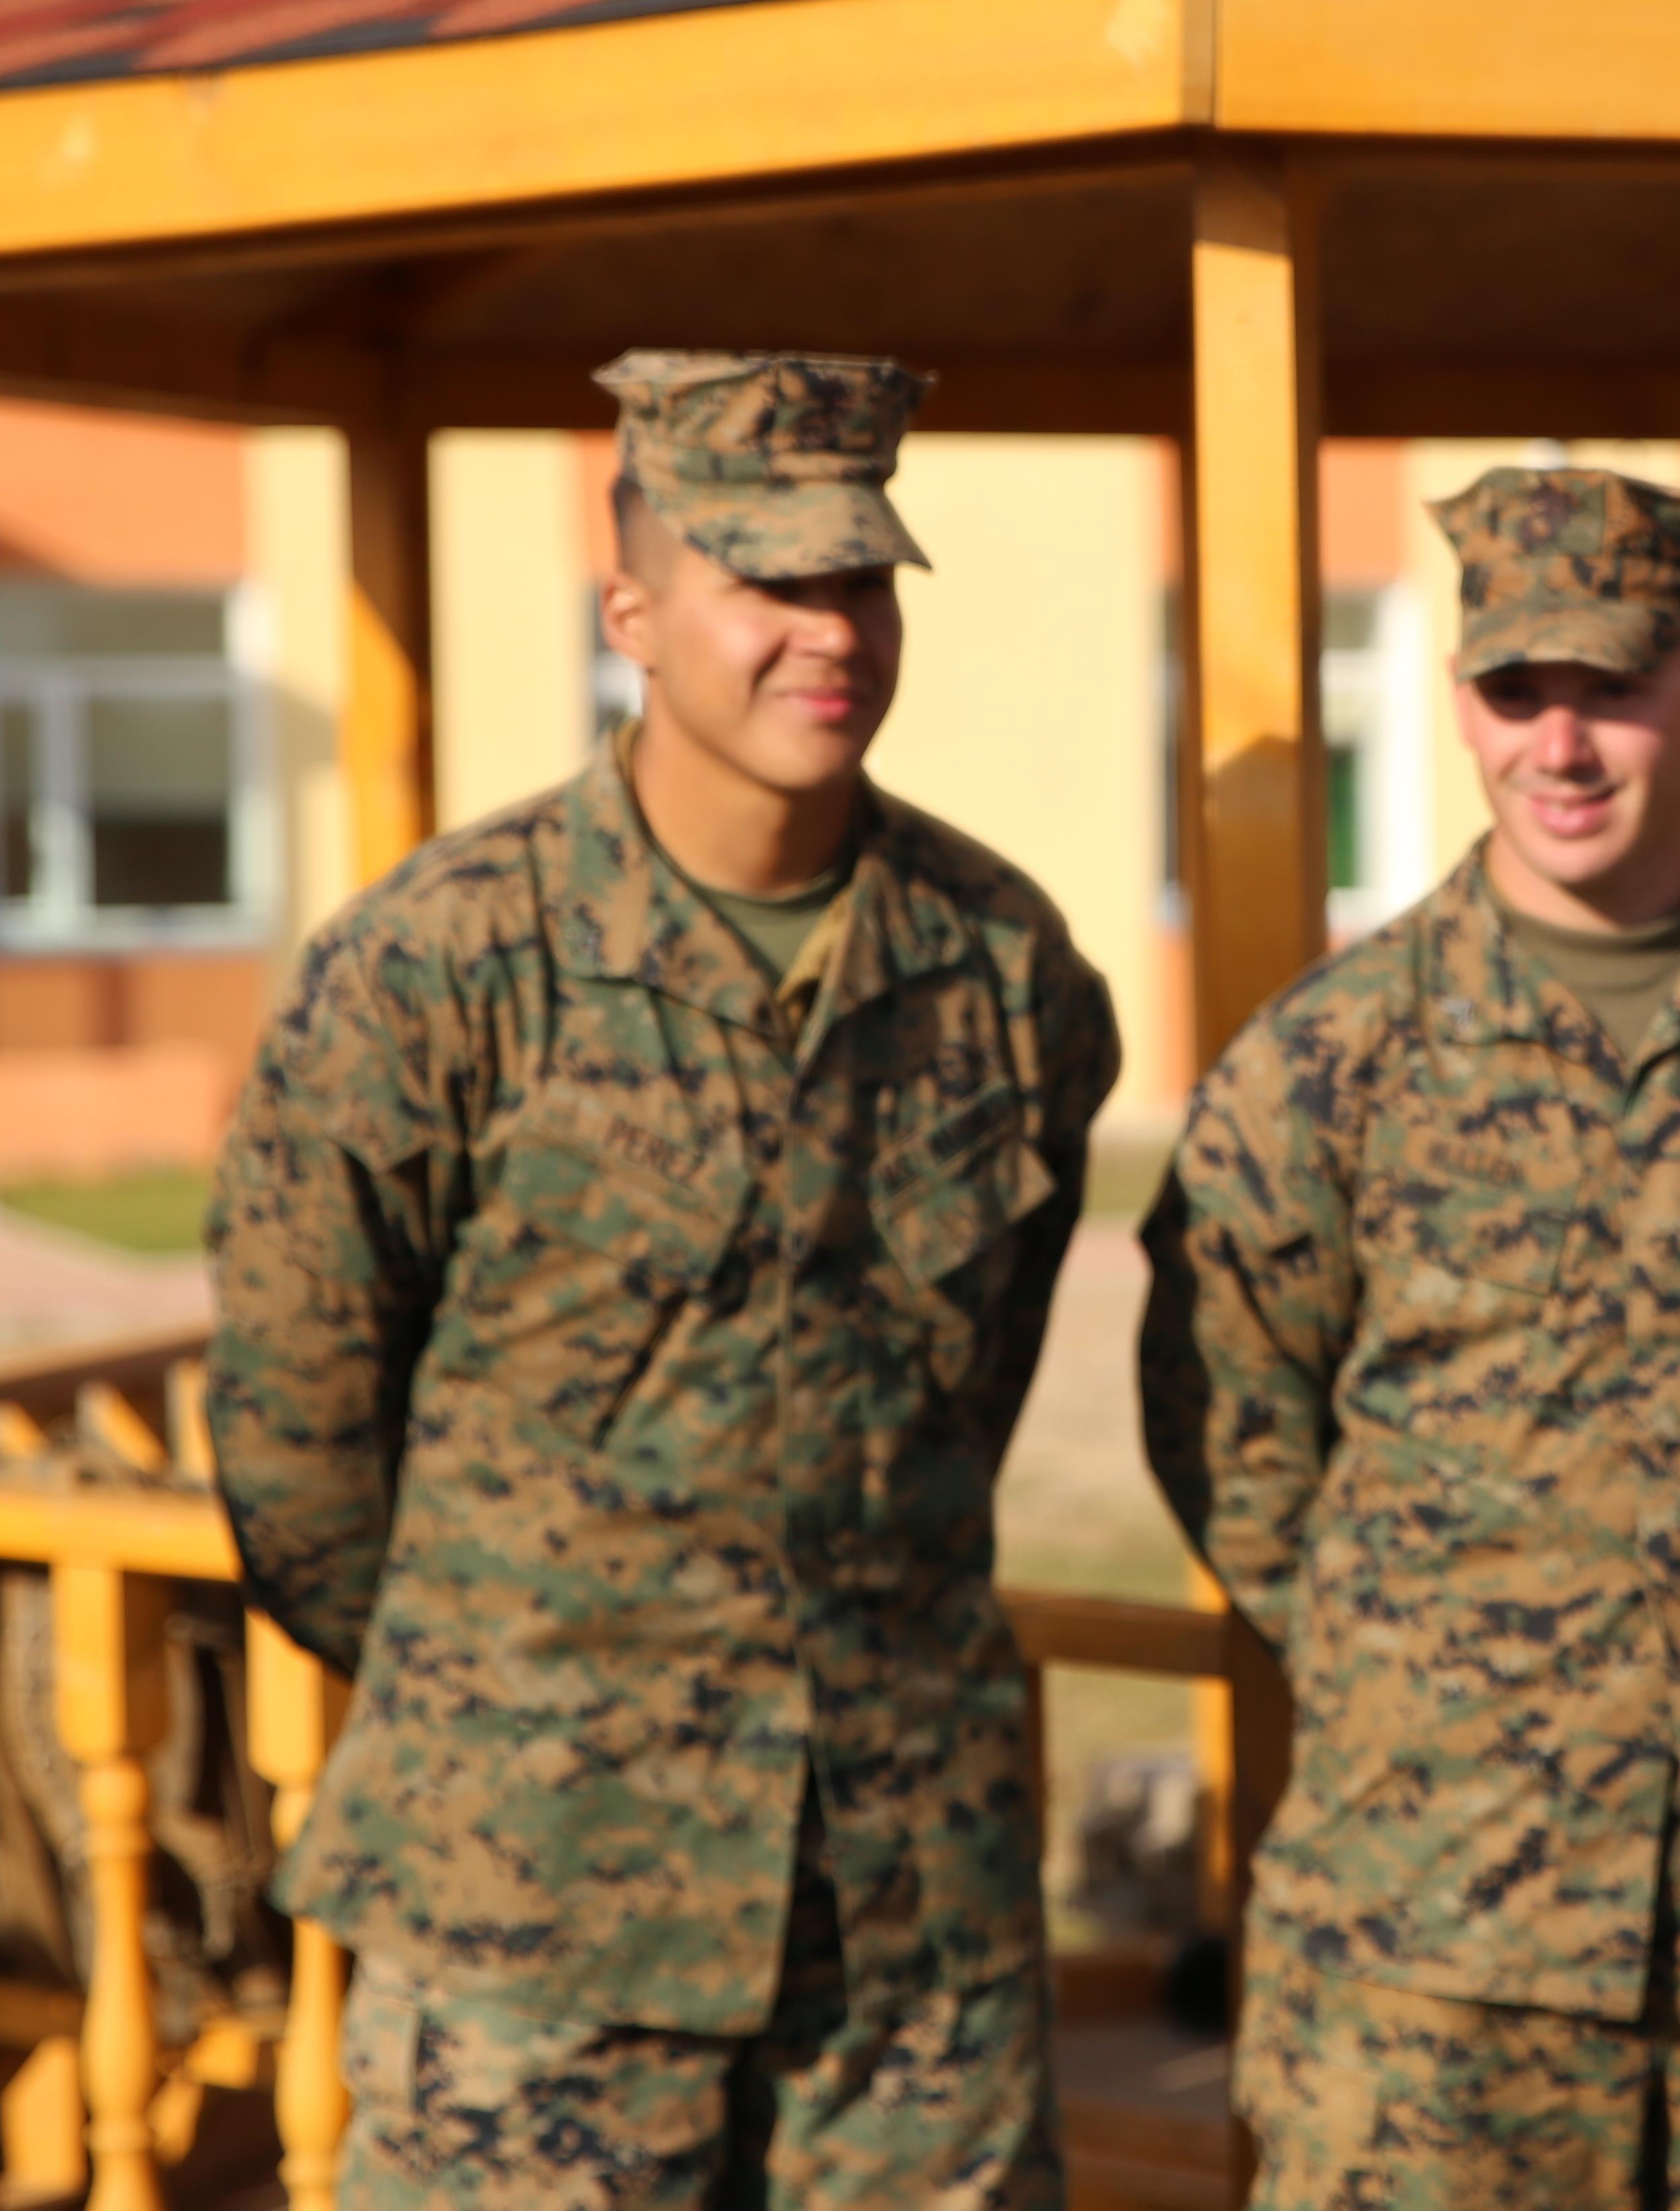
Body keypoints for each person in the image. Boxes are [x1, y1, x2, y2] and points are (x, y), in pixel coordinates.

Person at [208, 350, 1120, 2208]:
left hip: (906, 1933)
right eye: (768, 582)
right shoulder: (439, 965)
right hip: (535, 1906)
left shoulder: (1003, 968)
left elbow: (975, 1383)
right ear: (629, 608)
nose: (829, 631)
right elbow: (299, 1447)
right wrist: (521, 1689)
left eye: (861, 576)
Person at [1142, 464, 1680, 2209]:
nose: (1566, 743)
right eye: (1519, 691)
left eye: (1614, 686)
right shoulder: (1327, 1068)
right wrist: (1433, 1677)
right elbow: (1233, 1441)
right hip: (1432, 1950)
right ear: (1460, 707)